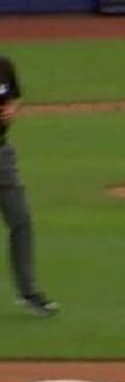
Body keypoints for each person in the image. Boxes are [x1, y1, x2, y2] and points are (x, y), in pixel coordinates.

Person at [0, 56, 57, 318]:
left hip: (2, 156)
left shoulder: (4, 66)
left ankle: (29, 292)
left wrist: (12, 108)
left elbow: (14, 97)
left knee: (21, 221)